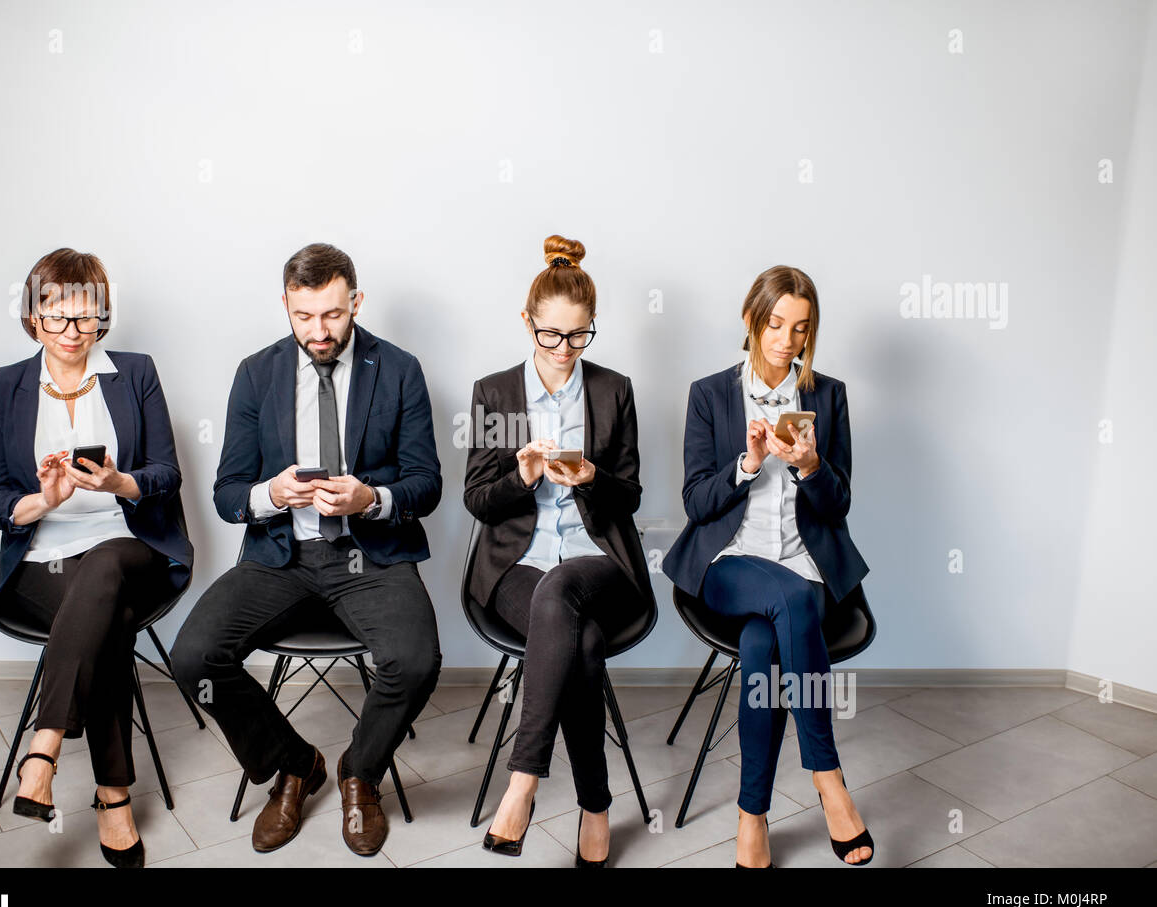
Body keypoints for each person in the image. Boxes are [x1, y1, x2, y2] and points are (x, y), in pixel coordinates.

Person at [170, 243, 442, 857]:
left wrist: (369, 498)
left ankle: (360, 774)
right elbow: (226, 493)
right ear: (286, 307)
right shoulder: (255, 373)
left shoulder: (399, 369)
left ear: (356, 302)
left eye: (332, 316)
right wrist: (272, 493)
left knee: (416, 661)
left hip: (370, 559)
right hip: (280, 558)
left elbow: (426, 485)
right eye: (303, 317)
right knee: (193, 660)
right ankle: (295, 765)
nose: (318, 332)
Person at [0, 248, 193, 868]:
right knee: (109, 621)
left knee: (107, 564)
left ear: (103, 316)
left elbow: (168, 476)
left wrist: (120, 484)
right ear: (32, 318)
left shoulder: (137, 371)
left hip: (134, 546)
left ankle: (43, 749)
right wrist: (43, 500)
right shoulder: (0, 388)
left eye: (87, 319)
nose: (74, 333)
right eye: (57, 319)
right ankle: (113, 797)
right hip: (41, 563)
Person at [663, 265, 873, 867]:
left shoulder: (827, 396)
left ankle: (751, 816)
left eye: (801, 329)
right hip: (731, 563)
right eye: (775, 323)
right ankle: (829, 780)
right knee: (791, 601)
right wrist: (748, 464)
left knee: (763, 646)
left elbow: (838, 507)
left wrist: (810, 465)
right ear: (750, 320)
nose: (786, 339)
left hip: (805, 563)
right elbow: (697, 503)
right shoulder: (710, 394)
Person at [465, 235, 654, 867]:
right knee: (582, 640)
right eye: (551, 336)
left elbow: (629, 496)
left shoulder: (612, 390)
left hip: (600, 559)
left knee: (564, 589)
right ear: (528, 323)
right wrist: (521, 478)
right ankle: (596, 806)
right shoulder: (497, 395)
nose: (565, 351)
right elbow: (476, 501)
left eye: (579, 337)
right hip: (519, 562)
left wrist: (593, 478)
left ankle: (521, 785)